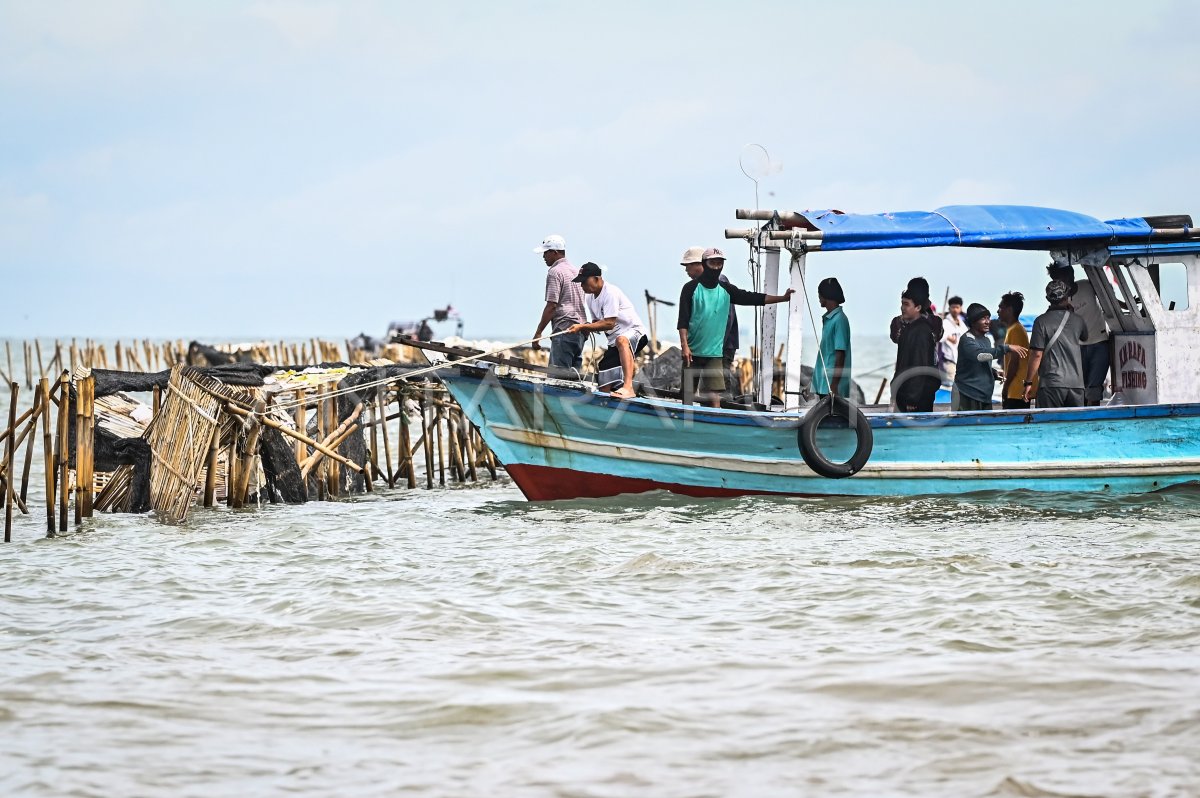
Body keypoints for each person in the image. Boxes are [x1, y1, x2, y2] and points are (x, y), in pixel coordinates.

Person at [677, 247, 793, 407]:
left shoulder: (725, 288)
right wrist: (684, 346)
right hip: (692, 350)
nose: (716, 267)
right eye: (713, 263)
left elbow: (752, 297)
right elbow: (682, 320)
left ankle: (716, 421)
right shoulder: (690, 288)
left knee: (714, 394)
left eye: (719, 263)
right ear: (705, 263)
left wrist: (782, 298)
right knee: (688, 393)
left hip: (715, 352)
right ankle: (686, 424)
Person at [567, 263, 647, 399]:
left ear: (597, 278)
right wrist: (585, 327)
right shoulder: (590, 298)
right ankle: (608, 404)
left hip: (635, 332)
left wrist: (582, 327)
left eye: (584, 282)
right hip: (614, 342)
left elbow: (609, 323)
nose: (582, 286)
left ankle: (628, 388)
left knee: (621, 340)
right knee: (604, 376)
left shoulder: (610, 292)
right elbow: (597, 323)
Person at [1049, 263, 1109, 404]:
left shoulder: (1087, 285)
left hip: (1099, 343)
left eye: (1064, 278)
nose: (1063, 283)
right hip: (1076, 348)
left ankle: (1093, 422)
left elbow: (1106, 297)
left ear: (1072, 275)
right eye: (1058, 280)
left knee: (1094, 390)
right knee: (1079, 389)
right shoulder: (1058, 301)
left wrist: (1125, 306)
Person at [681, 245, 740, 392]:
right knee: (695, 389)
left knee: (715, 391)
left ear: (698, 264)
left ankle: (718, 414)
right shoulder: (696, 287)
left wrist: (716, 346)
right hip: (704, 346)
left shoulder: (719, 281)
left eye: (688, 265)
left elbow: (727, 317)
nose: (686, 270)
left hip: (721, 347)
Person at [1024, 280, 1089, 408]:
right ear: (1067, 297)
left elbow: (1037, 355)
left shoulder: (1040, 322)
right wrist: (1072, 312)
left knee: (1049, 425)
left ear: (1048, 298)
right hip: (1076, 385)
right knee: (1075, 426)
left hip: (1051, 385)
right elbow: (1085, 337)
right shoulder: (1078, 320)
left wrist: (1028, 382)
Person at [953, 303, 1028, 411]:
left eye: (988, 318)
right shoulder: (967, 339)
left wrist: (993, 372)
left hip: (984, 397)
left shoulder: (986, 340)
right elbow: (980, 356)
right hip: (967, 395)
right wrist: (1006, 348)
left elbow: (980, 363)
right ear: (973, 321)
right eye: (983, 318)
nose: (988, 322)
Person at [531, 234, 588, 370]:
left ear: (554, 252)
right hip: (580, 331)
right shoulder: (575, 271)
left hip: (564, 330)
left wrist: (538, 333)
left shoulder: (555, 272)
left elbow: (552, 306)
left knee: (558, 378)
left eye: (545, 253)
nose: (543, 257)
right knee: (574, 378)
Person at [891, 278, 944, 412]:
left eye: (906, 304)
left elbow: (919, 365)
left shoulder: (918, 329)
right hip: (919, 388)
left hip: (915, 392)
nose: (902, 307)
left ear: (918, 306)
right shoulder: (931, 323)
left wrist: (912, 398)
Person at [812, 277, 851, 398]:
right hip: (823, 383)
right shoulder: (829, 319)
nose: (819, 297)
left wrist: (834, 386)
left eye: (820, 294)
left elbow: (840, 355)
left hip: (831, 385)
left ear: (826, 295)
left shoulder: (839, 320)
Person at [998, 291, 1035, 409]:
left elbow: (1014, 362)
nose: (998, 311)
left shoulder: (1016, 330)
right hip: (1018, 389)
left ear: (1009, 310)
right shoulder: (1015, 329)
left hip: (1016, 390)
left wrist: (1005, 387)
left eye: (1000, 307)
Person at [940, 296, 968, 381]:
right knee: (951, 384)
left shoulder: (962, 324)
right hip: (949, 360)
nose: (955, 310)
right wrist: (948, 337)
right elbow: (939, 337)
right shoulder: (945, 322)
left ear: (960, 308)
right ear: (949, 308)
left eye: (957, 307)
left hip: (960, 361)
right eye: (953, 307)